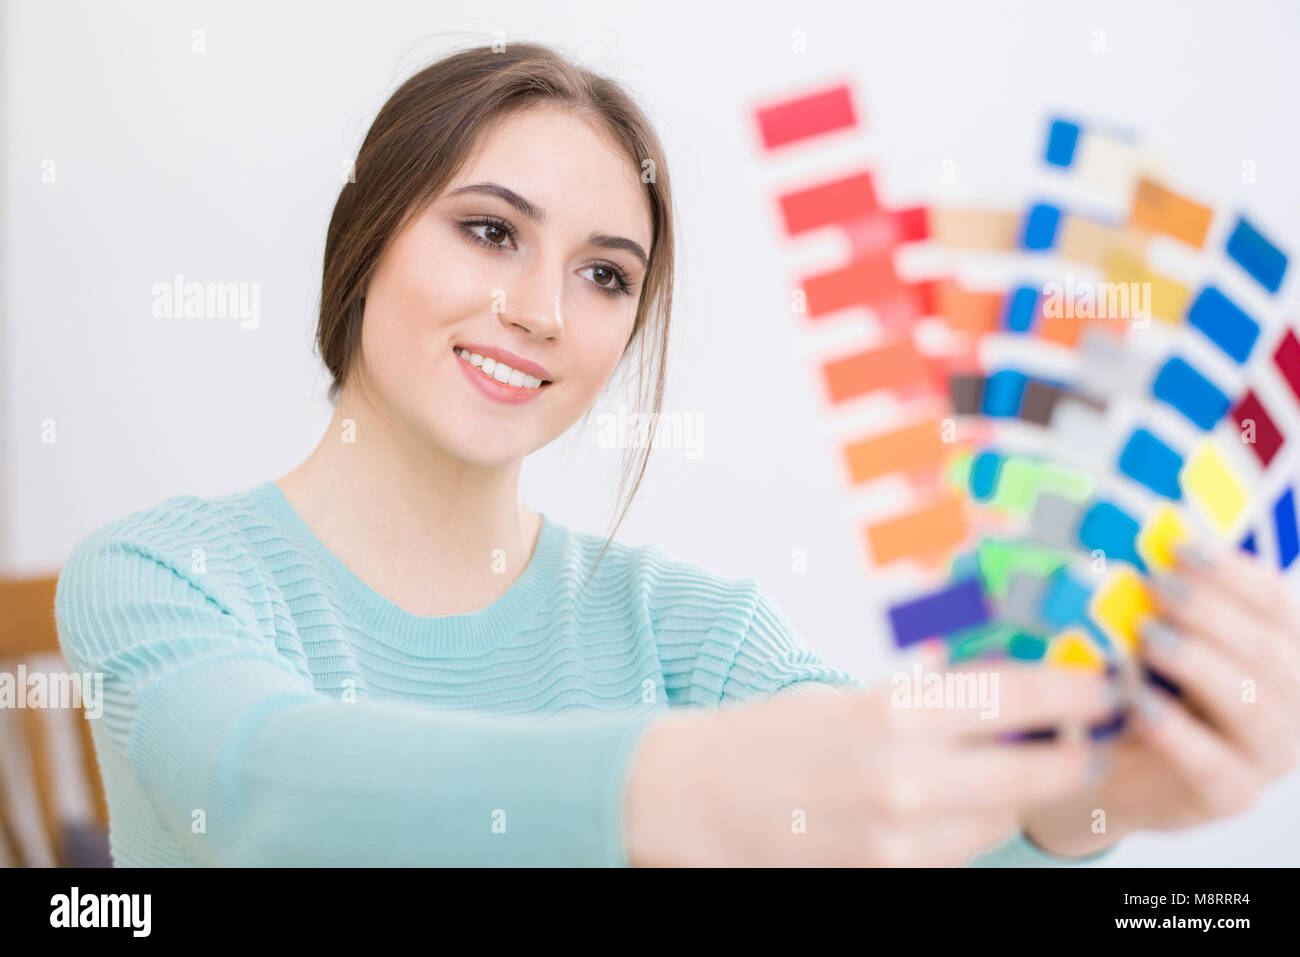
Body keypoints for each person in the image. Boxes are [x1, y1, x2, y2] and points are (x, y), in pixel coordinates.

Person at [54, 42, 1300, 867]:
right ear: (368, 241)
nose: (542, 308)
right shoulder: (161, 574)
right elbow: (268, 788)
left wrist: (1087, 803)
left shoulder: (685, 632)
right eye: (490, 231)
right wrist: (696, 789)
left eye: (605, 275)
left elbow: (919, 824)